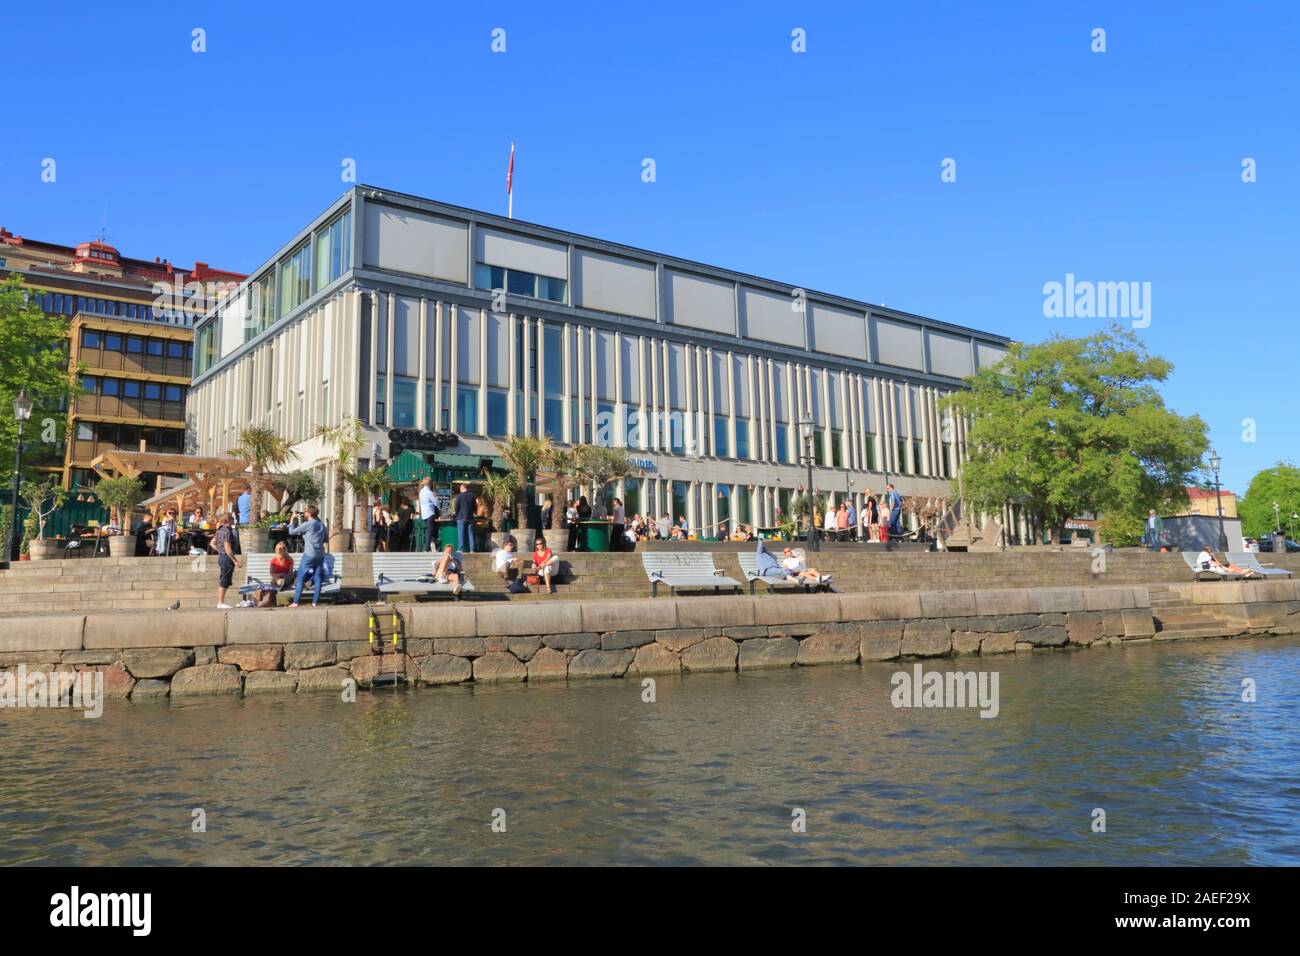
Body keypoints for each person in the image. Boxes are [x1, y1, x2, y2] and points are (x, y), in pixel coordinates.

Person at [287, 505, 329, 608]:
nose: (304, 514)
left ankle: (296, 602)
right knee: (318, 577)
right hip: (320, 555)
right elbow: (325, 540)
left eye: (305, 512)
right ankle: (315, 602)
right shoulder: (322, 525)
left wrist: (292, 518)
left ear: (309, 513)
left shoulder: (308, 524)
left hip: (309, 554)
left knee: (301, 576)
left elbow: (291, 531)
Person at [213, 513, 243, 609]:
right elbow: (227, 547)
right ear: (227, 520)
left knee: (224, 578)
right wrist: (235, 560)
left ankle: (220, 602)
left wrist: (220, 550)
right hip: (226, 557)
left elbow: (212, 543)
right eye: (232, 519)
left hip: (222, 556)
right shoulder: (227, 531)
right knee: (224, 580)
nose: (234, 520)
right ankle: (220, 602)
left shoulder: (219, 530)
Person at [257, 541, 295, 608]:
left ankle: (281, 584)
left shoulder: (290, 560)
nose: (282, 549)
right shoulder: (274, 560)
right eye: (280, 548)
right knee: (276, 579)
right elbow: (271, 573)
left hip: (287, 578)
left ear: (286, 549)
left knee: (288, 578)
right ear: (276, 550)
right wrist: (279, 576)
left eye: (283, 548)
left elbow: (290, 573)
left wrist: (284, 576)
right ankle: (280, 583)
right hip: (276, 578)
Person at [453, 482, 476, 553]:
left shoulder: (459, 496)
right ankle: (472, 549)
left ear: (462, 488)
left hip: (461, 517)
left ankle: (460, 549)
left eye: (460, 488)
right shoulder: (472, 496)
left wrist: (456, 515)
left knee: (461, 533)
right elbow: (475, 507)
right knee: (471, 533)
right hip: (470, 517)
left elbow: (456, 507)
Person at [418, 477, 439, 552]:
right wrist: (436, 496)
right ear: (430, 483)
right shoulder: (429, 492)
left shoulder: (421, 492)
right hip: (430, 513)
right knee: (430, 531)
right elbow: (436, 503)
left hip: (424, 514)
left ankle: (432, 547)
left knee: (430, 531)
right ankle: (426, 548)